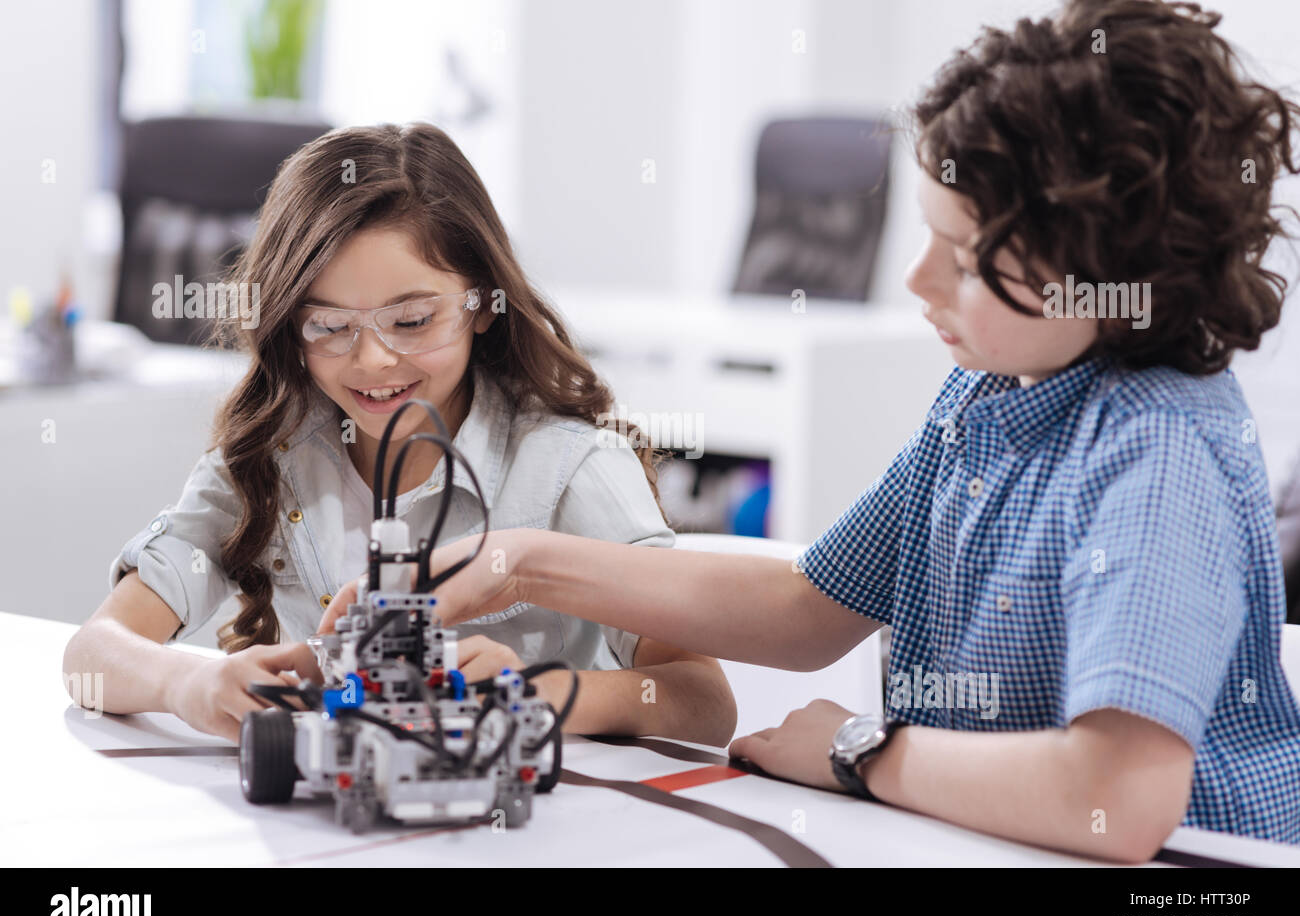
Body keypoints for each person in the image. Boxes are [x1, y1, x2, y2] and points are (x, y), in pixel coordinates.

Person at [324, 1, 1300, 860]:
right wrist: (520, 563)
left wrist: (858, 751)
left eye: (960, 258)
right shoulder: (986, 396)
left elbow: (1115, 800)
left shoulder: (1158, 451)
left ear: (1100, 264)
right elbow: (805, 609)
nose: (916, 282)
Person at [64, 123, 736, 748]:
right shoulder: (268, 458)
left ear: (482, 303)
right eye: (328, 325)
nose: (373, 360)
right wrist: (188, 682)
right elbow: (93, 652)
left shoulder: (568, 465)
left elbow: (704, 699)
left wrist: (536, 694)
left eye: (412, 320)